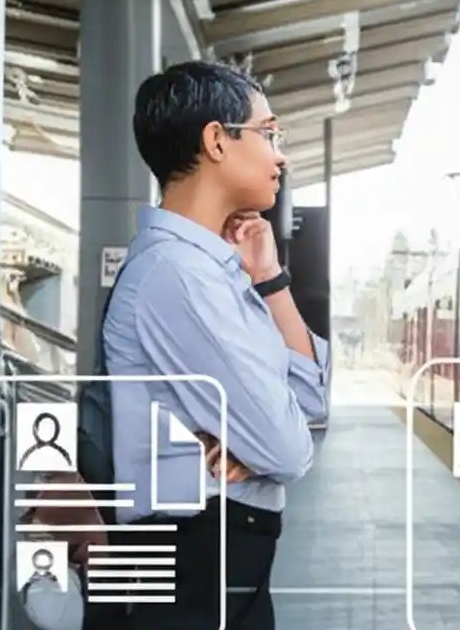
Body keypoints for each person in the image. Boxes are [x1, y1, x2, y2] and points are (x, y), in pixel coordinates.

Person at [101, 61, 329, 629]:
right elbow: (290, 449)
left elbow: (312, 409)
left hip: (222, 560)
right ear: (216, 141)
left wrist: (270, 279)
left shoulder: (216, 273)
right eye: (268, 132)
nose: (280, 155)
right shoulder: (178, 276)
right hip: (193, 567)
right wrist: (263, 449)